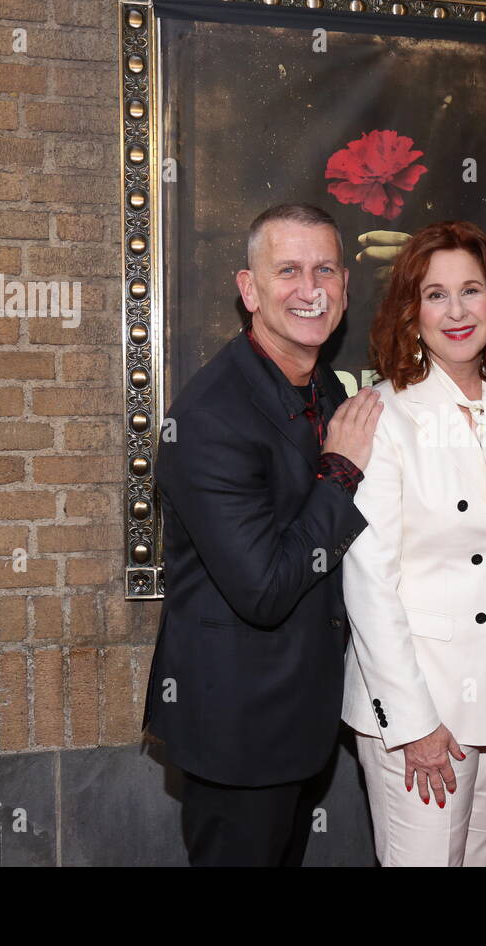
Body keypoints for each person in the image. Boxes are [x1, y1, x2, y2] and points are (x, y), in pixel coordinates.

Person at [142, 203, 383, 866]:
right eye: (288, 271)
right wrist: (340, 470)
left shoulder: (325, 388)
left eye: (325, 270)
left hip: (299, 718)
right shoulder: (210, 417)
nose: (310, 289)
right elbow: (266, 588)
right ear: (249, 289)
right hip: (239, 729)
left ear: (344, 287)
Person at [341, 221, 486, 867]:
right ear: (412, 310)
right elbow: (368, 581)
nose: (456, 312)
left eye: (471, 291)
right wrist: (413, 724)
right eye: (435, 295)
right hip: (421, 702)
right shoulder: (385, 414)